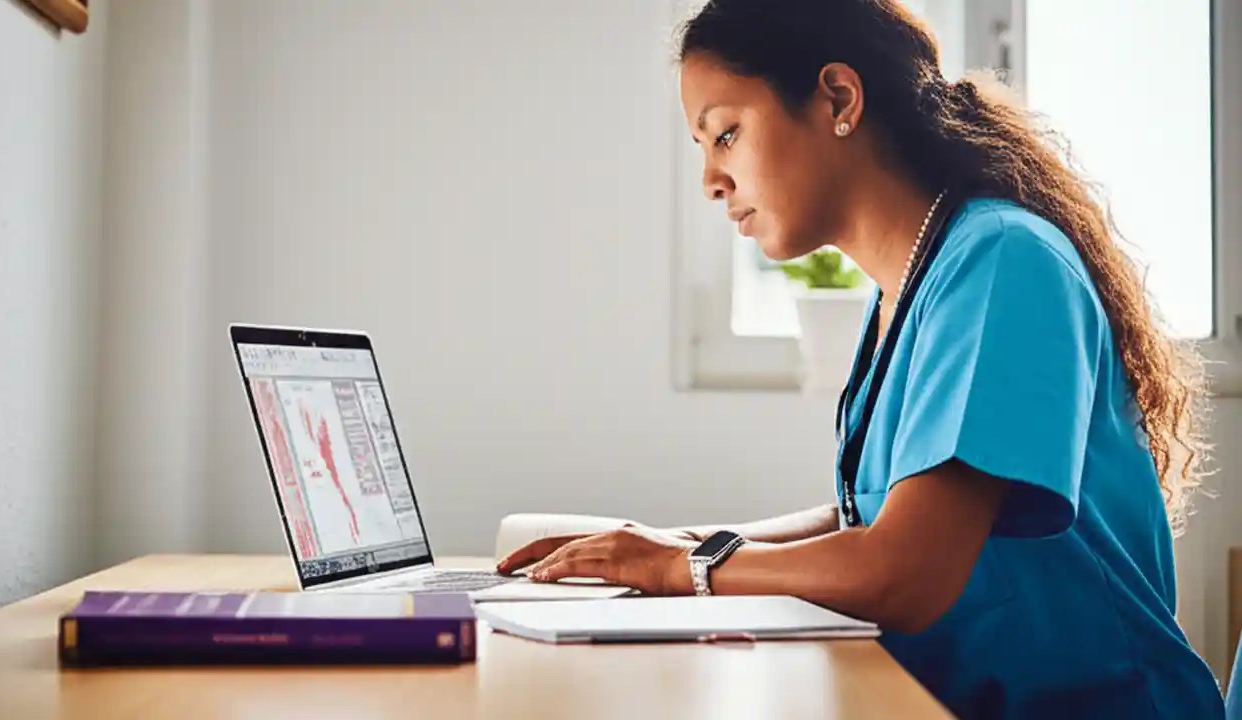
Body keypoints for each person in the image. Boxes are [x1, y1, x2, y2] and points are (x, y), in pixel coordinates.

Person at [497, 0, 1224, 717]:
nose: (711, 183)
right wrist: (693, 543)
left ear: (838, 98)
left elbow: (904, 570)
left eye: (725, 135)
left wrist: (680, 569)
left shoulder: (1004, 263)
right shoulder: (911, 284)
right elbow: (870, 515)